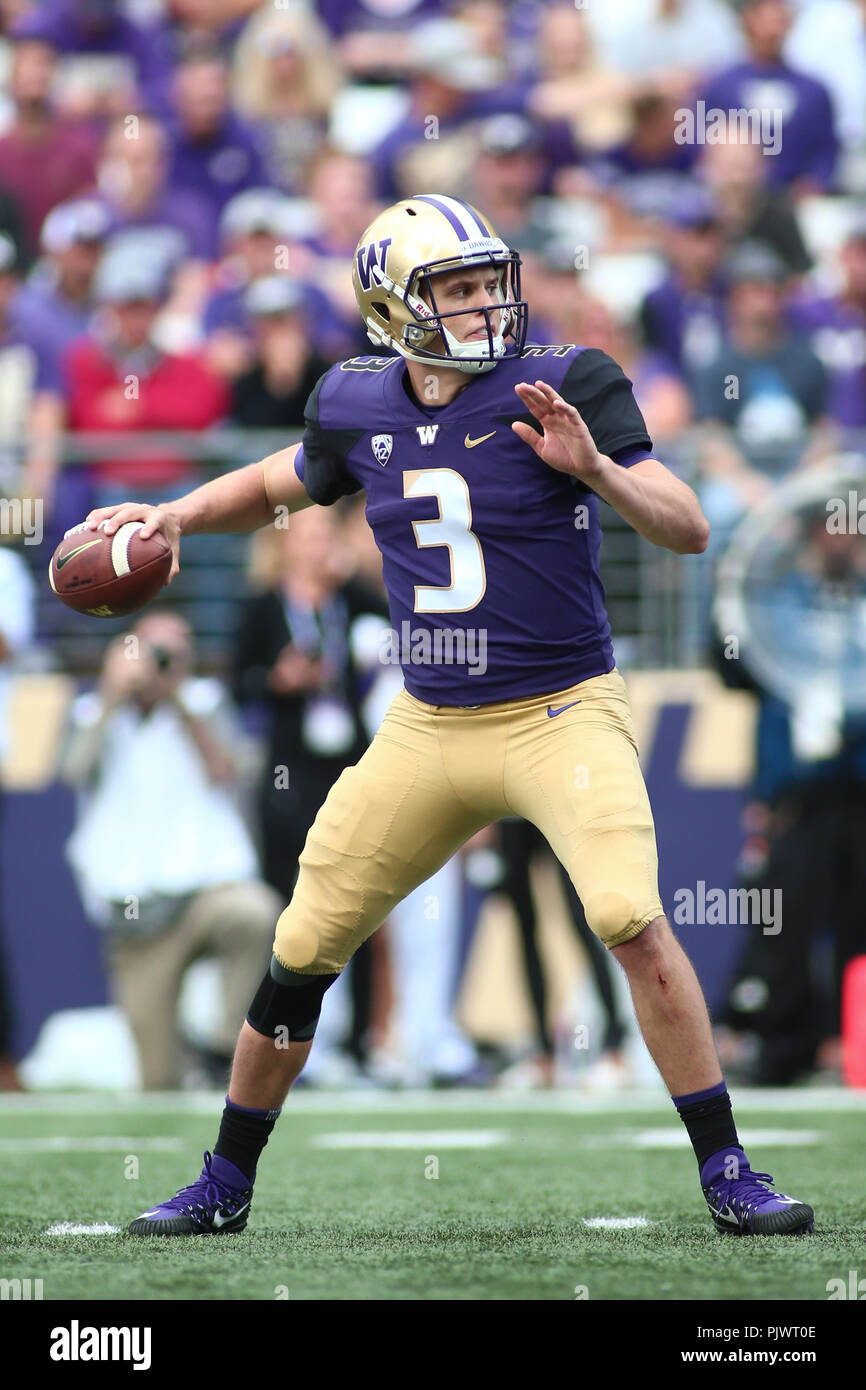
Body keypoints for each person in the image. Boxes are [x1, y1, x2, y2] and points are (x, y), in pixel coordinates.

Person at [86, 191, 814, 1239]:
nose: (482, 304)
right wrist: (174, 514)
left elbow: (689, 528)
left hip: (560, 708)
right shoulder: (352, 402)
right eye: (455, 288)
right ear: (392, 307)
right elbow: (281, 481)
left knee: (627, 916)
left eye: (487, 282)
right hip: (429, 724)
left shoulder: (565, 382)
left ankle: (727, 1168)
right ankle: (224, 1182)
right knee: (301, 942)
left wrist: (595, 469)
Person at [60, 610, 281, 1090]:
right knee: (158, 1080)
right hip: (136, 916)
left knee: (255, 913)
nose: (162, 661)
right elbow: (73, 771)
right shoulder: (93, 711)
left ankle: (223, 1045)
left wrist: (178, 699)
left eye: (176, 650)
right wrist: (111, 693)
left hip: (204, 894)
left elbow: (227, 770)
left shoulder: (204, 702)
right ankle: (184, 1071)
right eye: (154, 649)